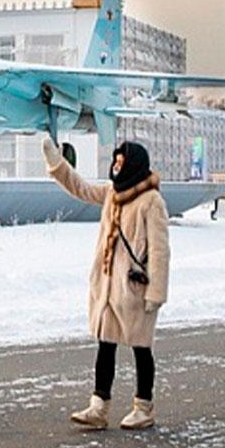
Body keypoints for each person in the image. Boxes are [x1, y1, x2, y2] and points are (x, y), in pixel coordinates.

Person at [42, 136, 169, 431]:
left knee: (141, 348)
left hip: (136, 289)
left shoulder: (151, 201)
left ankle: (143, 407)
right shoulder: (113, 192)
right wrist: (55, 163)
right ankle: (99, 406)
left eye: (122, 162)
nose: (116, 166)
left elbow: (161, 251)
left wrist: (156, 293)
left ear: (134, 165)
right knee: (105, 346)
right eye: (115, 161)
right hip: (108, 287)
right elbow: (81, 188)